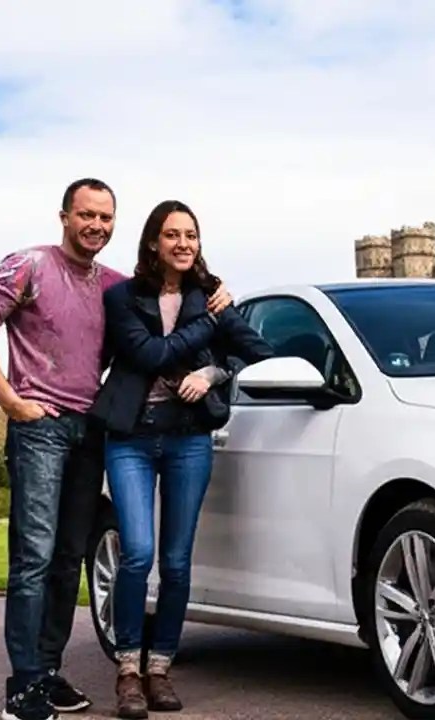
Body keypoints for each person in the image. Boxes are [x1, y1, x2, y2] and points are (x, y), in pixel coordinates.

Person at [0, 180, 234, 720]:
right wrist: (11, 402)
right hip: (40, 428)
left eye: (106, 218)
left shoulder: (113, 286)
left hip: (93, 429)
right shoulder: (28, 265)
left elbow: (165, 305)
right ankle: (23, 686)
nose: (96, 226)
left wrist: (217, 292)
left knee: (68, 557)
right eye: (86, 215)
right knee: (34, 557)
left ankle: (48, 671)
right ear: (64, 216)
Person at [88, 200, 274, 718]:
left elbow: (260, 352)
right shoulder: (122, 297)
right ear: (154, 242)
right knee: (137, 553)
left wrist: (213, 374)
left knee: (175, 561)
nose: (183, 243)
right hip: (131, 438)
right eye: (172, 235)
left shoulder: (211, 297)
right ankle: (128, 670)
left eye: (191, 234)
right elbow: (152, 354)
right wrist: (210, 325)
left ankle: (160, 668)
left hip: (189, 439)